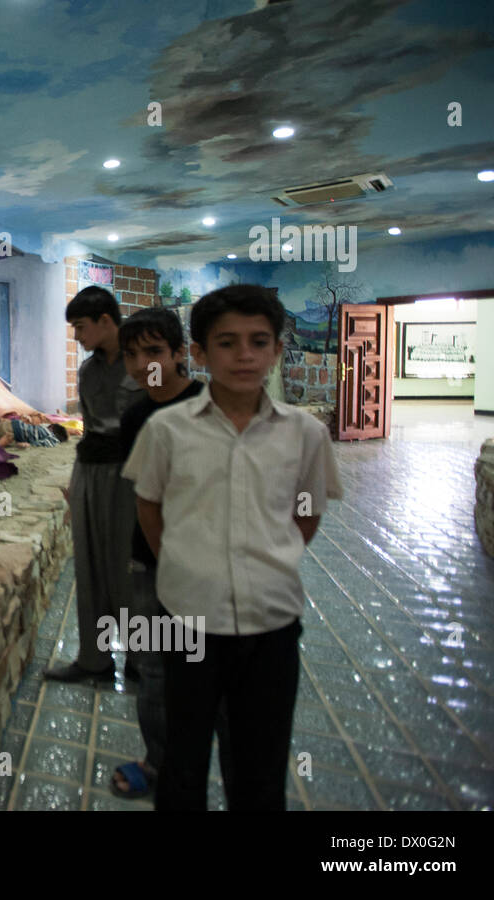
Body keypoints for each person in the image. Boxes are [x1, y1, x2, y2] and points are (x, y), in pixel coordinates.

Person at [123, 285, 342, 811]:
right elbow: (149, 509)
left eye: (258, 341)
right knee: (182, 760)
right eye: (226, 342)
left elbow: (307, 513)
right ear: (198, 353)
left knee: (260, 769)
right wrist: (187, 565)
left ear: (275, 349)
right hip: (188, 623)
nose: (244, 355)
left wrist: (267, 557)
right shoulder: (167, 430)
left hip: (272, 625)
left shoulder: (306, 434)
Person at [109, 307, 224, 799]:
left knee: (208, 671)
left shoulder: (212, 405)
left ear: (180, 353)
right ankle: (158, 764)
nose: (141, 365)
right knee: (152, 670)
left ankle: (197, 764)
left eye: (154, 351)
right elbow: (143, 497)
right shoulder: (135, 416)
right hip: (149, 561)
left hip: (211, 566)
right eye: (131, 354)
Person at [46, 287, 145, 685]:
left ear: (107, 321)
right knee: (89, 567)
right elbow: (88, 430)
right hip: (90, 473)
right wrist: (77, 485)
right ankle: (94, 659)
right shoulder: (88, 371)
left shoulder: (143, 363)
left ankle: (142, 661)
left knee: (129, 569)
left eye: (81, 327)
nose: (77, 337)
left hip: (131, 475)